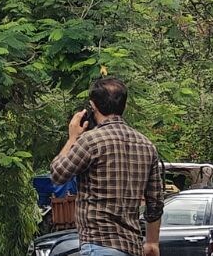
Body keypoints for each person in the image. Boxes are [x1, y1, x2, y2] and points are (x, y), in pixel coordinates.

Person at [50, 77, 164, 256]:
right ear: (123, 106)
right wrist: (152, 243)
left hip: (98, 244)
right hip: (132, 247)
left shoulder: (90, 141)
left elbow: (58, 174)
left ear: (93, 106)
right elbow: (155, 202)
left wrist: (72, 138)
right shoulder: (147, 145)